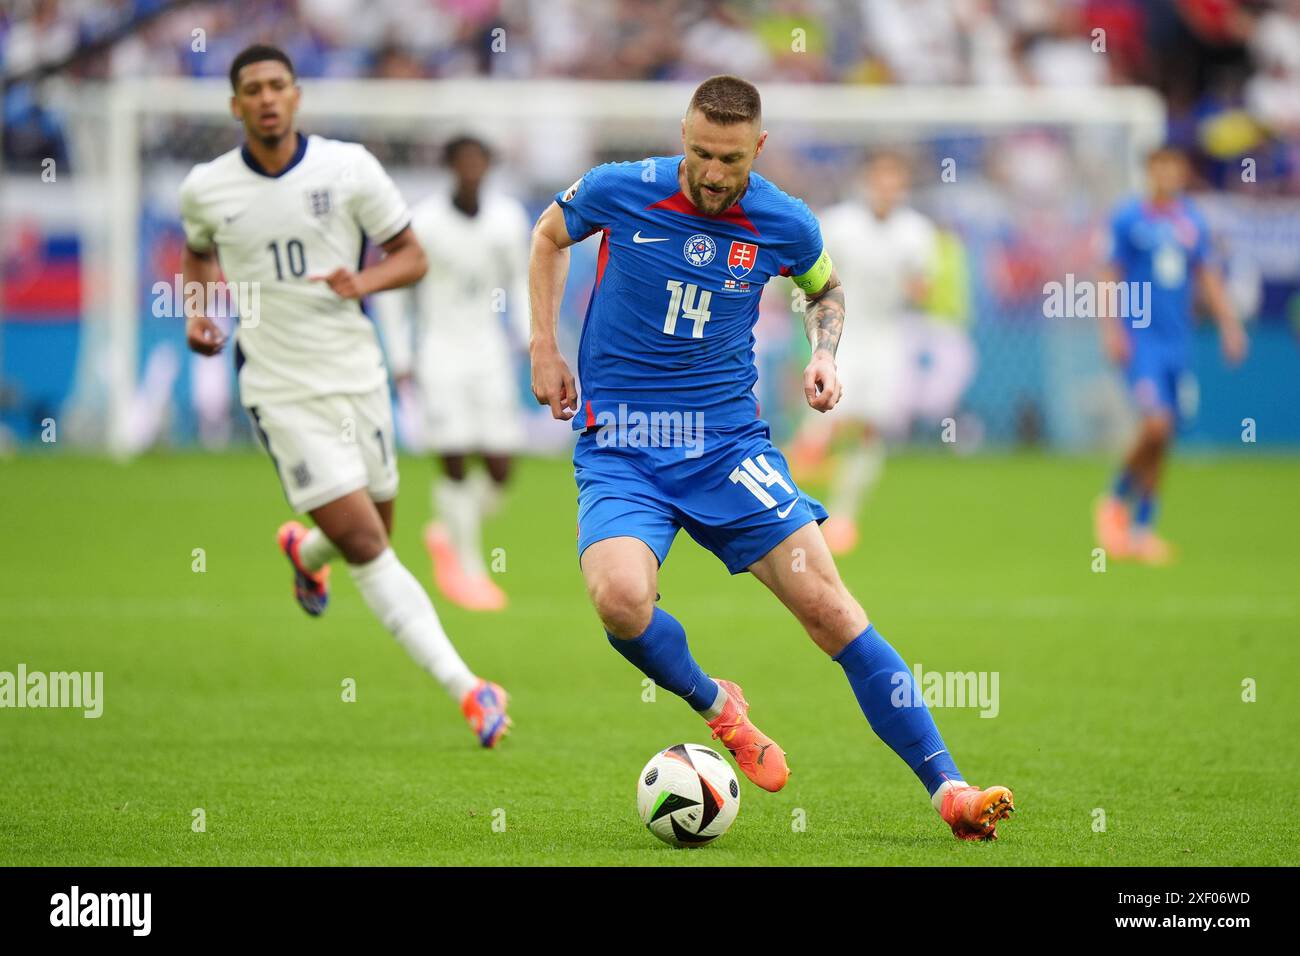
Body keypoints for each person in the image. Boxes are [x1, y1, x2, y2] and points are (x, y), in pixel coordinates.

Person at [528, 74, 1014, 840]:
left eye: (729, 158)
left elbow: (826, 291)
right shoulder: (621, 190)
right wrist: (545, 346)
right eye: (698, 154)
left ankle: (949, 787)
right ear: (680, 137)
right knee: (621, 600)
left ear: (758, 147)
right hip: (623, 445)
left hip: (726, 450)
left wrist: (825, 354)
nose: (713, 174)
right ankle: (721, 709)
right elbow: (549, 235)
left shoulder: (783, 220)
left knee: (830, 611)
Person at [179, 44, 510, 747]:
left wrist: (362, 283)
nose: (267, 98)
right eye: (252, 90)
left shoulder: (350, 168)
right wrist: (199, 308)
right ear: (236, 106)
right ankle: (470, 688)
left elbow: (411, 255)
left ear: (296, 96)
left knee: (374, 532)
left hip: (359, 376)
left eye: (278, 85)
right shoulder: (206, 188)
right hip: (279, 386)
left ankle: (306, 554)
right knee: (367, 542)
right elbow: (198, 251)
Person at [375, 135, 531, 611]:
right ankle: (469, 569)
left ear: (487, 166)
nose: (470, 169)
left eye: (478, 161)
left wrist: (529, 337)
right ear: (448, 166)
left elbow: (521, 280)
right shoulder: (423, 222)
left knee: (502, 465)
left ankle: (448, 531)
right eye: (461, 161)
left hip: (488, 350)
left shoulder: (507, 219)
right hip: (438, 350)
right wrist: (401, 357)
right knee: (455, 457)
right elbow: (393, 293)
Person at [1095, 145, 1247, 564]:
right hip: (1141, 339)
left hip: (1177, 341)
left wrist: (1229, 325)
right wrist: (1110, 328)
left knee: (1165, 440)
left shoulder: (1191, 221)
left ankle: (1143, 530)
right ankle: (1112, 501)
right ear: (1148, 171)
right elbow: (1109, 275)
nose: (1168, 174)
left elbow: (1208, 276)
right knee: (1157, 425)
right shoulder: (1128, 217)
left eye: (1175, 167)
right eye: (1160, 167)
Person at [788, 152, 938, 553]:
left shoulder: (916, 233)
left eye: (895, 181)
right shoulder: (840, 224)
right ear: (867, 181)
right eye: (881, 179)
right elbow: (811, 276)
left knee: (870, 431)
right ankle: (795, 503)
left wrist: (918, 288)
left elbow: (925, 289)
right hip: (842, 334)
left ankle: (843, 518)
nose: (888, 189)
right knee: (828, 416)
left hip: (887, 339)